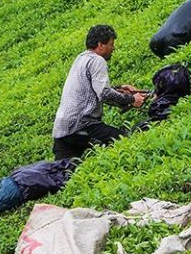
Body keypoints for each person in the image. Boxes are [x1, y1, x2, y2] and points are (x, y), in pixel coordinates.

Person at [52, 25, 147, 160]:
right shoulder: (97, 60)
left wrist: (119, 88)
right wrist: (132, 100)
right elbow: (104, 93)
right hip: (82, 124)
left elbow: (93, 91)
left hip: (62, 127)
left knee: (62, 172)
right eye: (111, 44)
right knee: (124, 142)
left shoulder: (81, 58)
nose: (113, 48)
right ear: (100, 45)